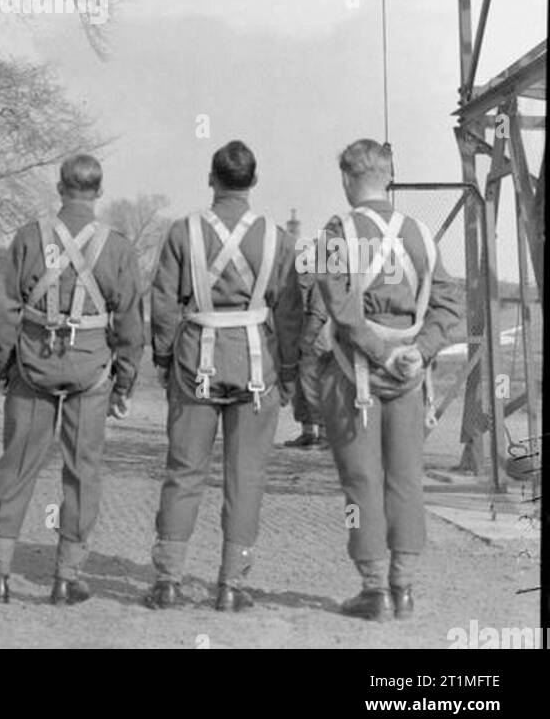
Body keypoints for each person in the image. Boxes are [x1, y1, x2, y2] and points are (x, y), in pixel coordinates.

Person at [0, 154, 143, 606]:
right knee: (82, 470)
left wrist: (5, 364)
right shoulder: (119, 247)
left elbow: (4, 307)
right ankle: (67, 577)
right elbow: (129, 324)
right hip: (92, 369)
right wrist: (124, 382)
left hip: (32, 364)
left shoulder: (30, 237)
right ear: (99, 190)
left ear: (60, 186)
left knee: (17, 463)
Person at [145, 140, 302, 611]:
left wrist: (165, 358)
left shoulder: (181, 231)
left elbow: (163, 303)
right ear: (253, 183)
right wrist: (290, 371)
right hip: (258, 366)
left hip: (196, 362)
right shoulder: (278, 238)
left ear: (211, 178)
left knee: (183, 471)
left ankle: (169, 580)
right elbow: (291, 314)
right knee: (247, 476)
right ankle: (232, 584)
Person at [314, 139, 463, 621]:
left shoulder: (337, 233)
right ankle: (404, 588)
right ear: (389, 177)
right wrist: (415, 354)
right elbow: (448, 306)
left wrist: (381, 353)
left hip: (352, 373)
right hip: (410, 378)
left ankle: (373, 589)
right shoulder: (421, 234)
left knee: (360, 483)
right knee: (405, 480)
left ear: (346, 178)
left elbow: (339, 306)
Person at [284, 247, 331, 449]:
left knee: (313, 385)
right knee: (300, 388)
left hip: (314, 338)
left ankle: (325, 434)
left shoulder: (322, 279)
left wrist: (306, 340)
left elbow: (319, 313)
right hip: (299, 332)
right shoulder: (295, 279)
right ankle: (308, 431)